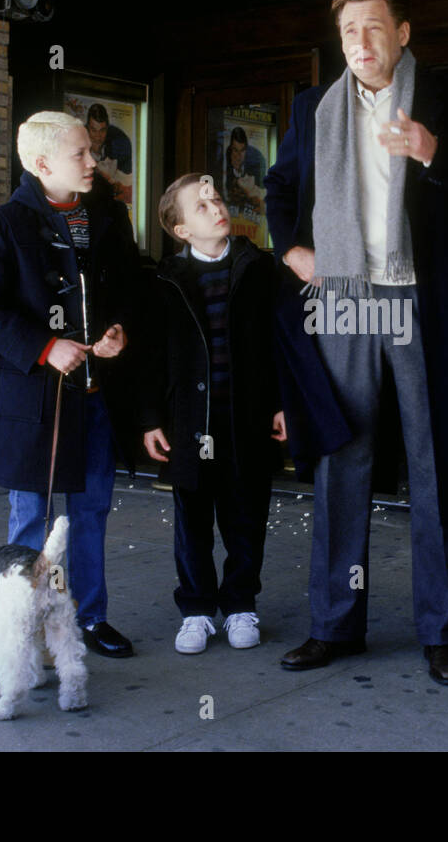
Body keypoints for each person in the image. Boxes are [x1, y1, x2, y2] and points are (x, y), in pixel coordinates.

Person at [266, 0, 448, 686]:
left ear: (403, 33)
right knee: (340, 461)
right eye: (349, 32)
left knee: (435, 464)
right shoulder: (315, 107)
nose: (361, 44)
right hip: (345, 299)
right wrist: (293, 250)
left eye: (374, 28)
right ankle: (333, 625)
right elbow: (281, 191)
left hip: (420, 302)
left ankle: (441, 632)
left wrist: (435, 154)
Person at [0, 110, 146, 658]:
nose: (94, 162)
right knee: (32, 518)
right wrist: (45, 346)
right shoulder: (4, 224)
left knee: (90, 512)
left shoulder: (108, 216)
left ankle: (89, 617)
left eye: (93, 151)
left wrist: (118, 331)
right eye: (81, 154)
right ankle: (23, 624)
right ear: (42, 164)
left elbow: (131, 289)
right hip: (36, 403)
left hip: (95, 399)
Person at [140, 174, 286, 654]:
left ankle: (242, 603)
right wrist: (150, 418)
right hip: (190, 423)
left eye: (217, 198)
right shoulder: (164, 280)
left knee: (246, 516)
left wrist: (283, 403)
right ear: (181, 230)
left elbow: (281, 343)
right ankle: (198, 609)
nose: (216, 207)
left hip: (244, 417)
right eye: (201, 206)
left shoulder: (259, 267)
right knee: (193, 521)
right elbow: (152, 357)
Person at [84, 103, 133, 203]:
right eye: (94, 130)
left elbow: (126, 186)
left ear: (107, 129)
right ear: (88, 129)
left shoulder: (119, 144)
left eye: (102, 131)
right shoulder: (78, 147)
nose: (98, 137)